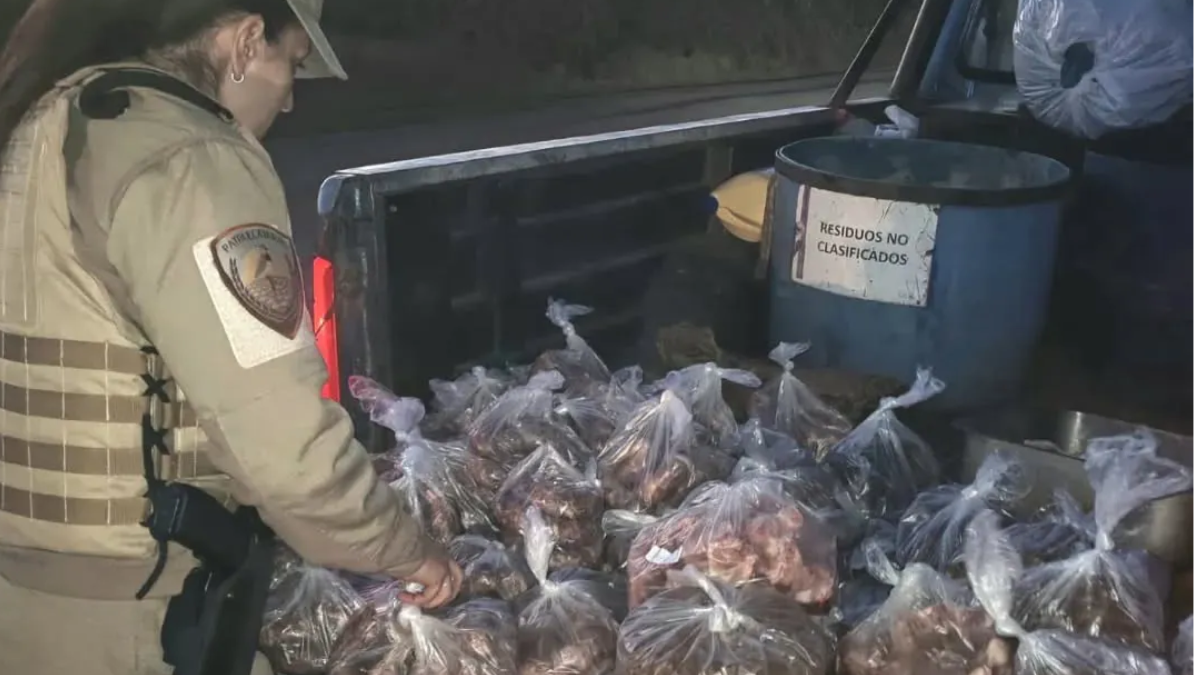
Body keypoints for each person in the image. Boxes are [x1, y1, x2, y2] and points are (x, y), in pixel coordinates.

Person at [0, 1, 462, 673]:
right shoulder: (186, 156)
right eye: (293, 63)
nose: (293, 99)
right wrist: (405, 547)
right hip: (133, 610)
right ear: (246, 41)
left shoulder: (50, 121)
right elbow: (286, 450)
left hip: (33, 591)